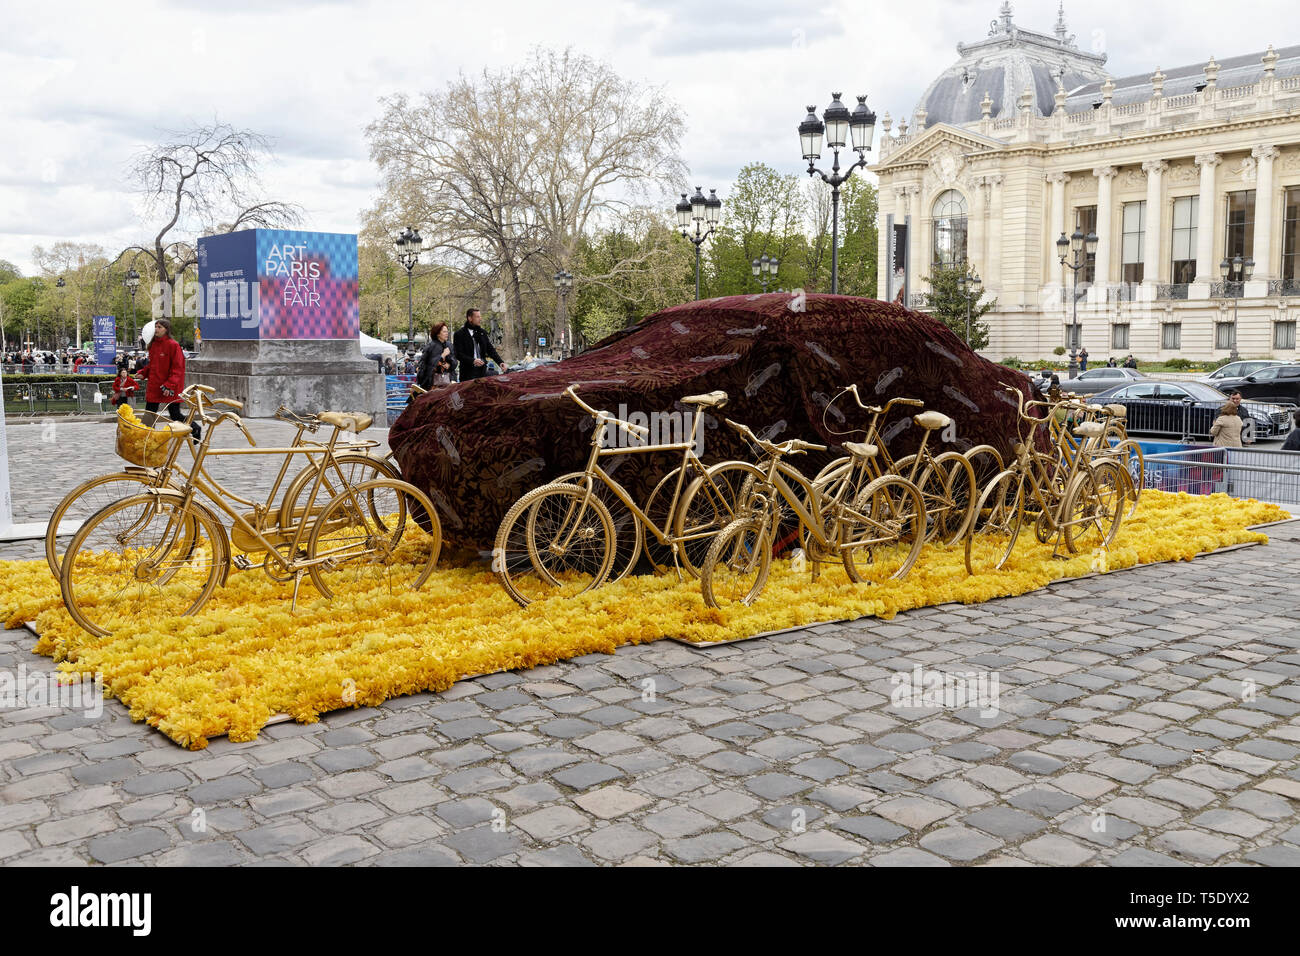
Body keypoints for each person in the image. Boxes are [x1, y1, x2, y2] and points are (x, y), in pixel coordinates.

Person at [135, 318, 199, 441]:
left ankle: (195, 428)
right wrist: (143, 373)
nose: (156, 329)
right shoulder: (153, 345)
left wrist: (170, 385)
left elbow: (178, 368)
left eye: (160, 327)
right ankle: (145, 439)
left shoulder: (173, 345)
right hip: (155, 387)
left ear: (166, 329)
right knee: (149, 414)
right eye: (156, 326)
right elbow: (151, 365)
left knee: (175, 415)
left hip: (170, 387)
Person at [453, 307, 504, 381]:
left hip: (482, 372)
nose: (480, 319)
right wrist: (473, 361)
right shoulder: (459, 334)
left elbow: (490, 350)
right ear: (470, 318)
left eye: (480, 316)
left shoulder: (482, 332)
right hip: (467, 374)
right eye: (477, 317)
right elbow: (458, 354)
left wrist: (500, 362)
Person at [416, 322, 457, 389]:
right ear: (438, 333)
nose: (447, 333)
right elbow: (428, 365)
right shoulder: (431, 346)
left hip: (449, 381)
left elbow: (455, 362)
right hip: (432, 383)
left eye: (447, 331)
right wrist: (442, 355)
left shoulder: (449, 345)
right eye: (444, 332)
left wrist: (450, 364)